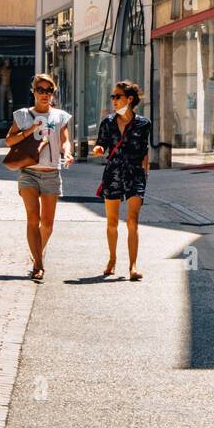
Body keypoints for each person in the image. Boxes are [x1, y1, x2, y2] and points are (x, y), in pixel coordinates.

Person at [4, 72, 72, 281]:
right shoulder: (23, 115)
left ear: (54, 92)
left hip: (51, 174)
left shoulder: (60, 116)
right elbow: (9, 141)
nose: (45, 94)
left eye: (49, 90)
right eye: (40, 90)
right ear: (33, 91)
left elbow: (65, 140)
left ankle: (36, 254)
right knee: (33, 219)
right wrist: (30, 130)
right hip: (29, 173)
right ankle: (39, 265)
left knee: (48, 224)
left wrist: (67, 152)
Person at [91, 80, 151, 280]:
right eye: (113, 97)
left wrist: (145, 174)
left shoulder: (143, 124)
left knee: (132, 221)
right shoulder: (107, 122)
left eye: (118, 96)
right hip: (113, 172)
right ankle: (112, 259)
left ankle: (133, 266)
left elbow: (144, 151)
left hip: (135, 174)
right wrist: (99, 149)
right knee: (112, 222)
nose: (114, 100)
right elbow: (101, 144)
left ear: (130, 99)